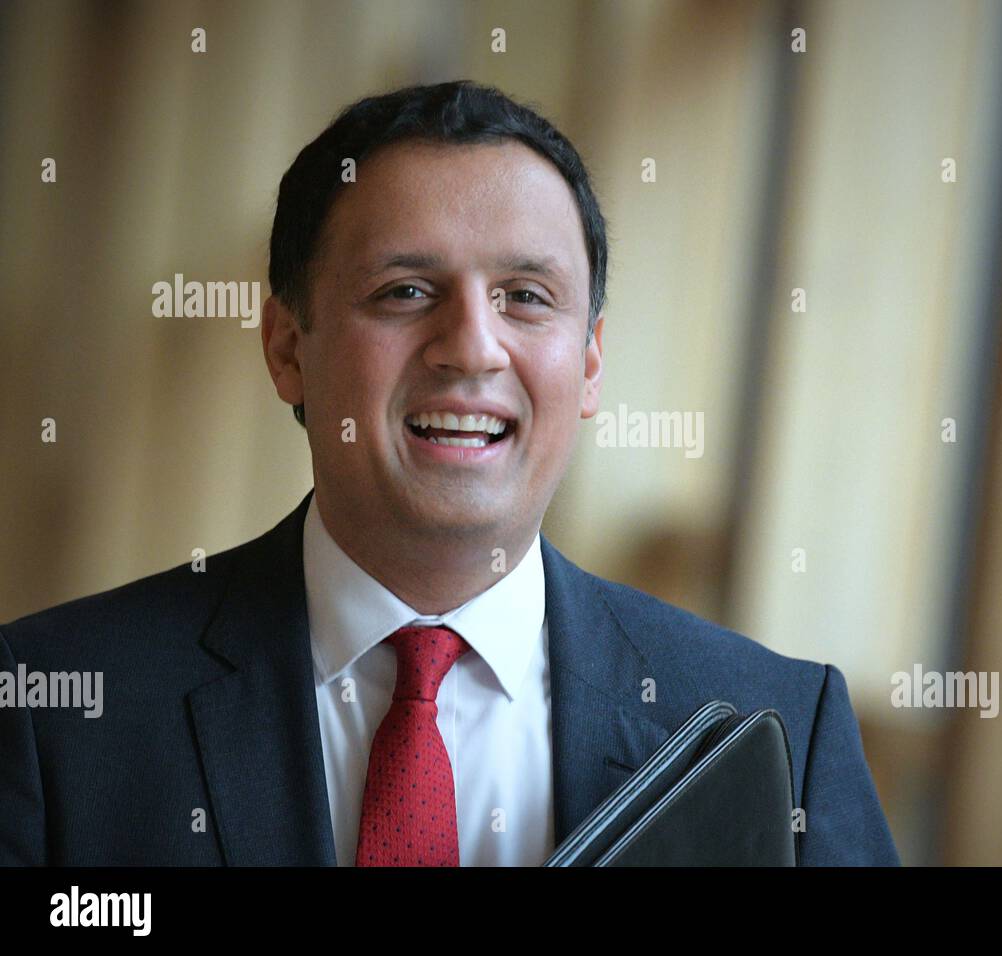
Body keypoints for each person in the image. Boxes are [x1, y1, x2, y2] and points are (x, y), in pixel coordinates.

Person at [0, 81, 899, 867]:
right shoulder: (54, 710)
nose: (472, 346)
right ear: (286, 347)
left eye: (525, 297)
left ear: (589, 364)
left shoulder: (774, 726)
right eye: (405, 292)